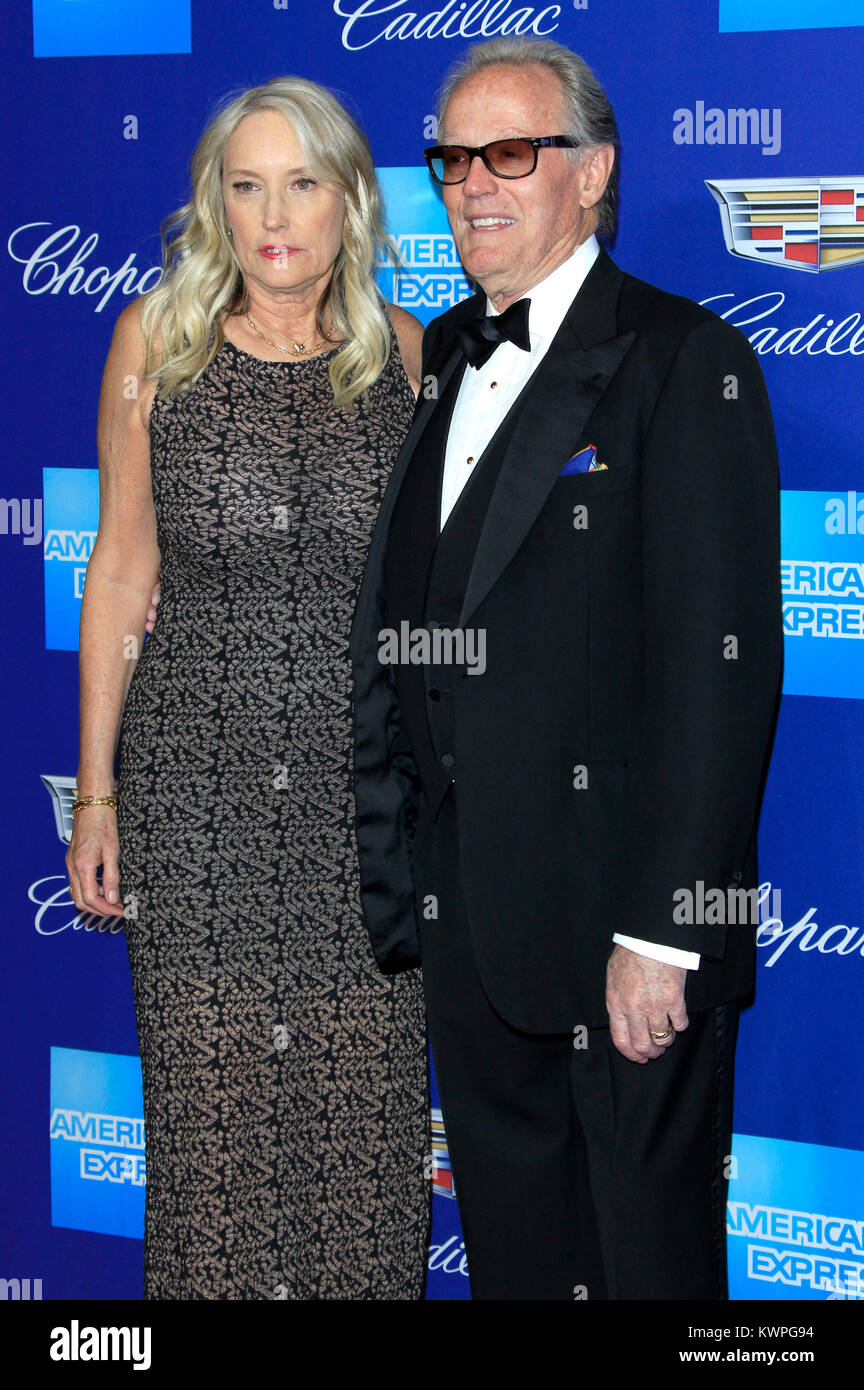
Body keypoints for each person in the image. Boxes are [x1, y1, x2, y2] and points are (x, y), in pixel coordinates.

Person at [350, 37, 783, 1300]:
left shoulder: (682, 358)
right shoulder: (436, 357)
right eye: (451, 160)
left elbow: (724, 672)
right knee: (519, 1264)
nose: (472, 184)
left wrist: (665, 933)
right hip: (472, 925)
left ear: (591, 174)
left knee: (645, 1265)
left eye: (511, 154)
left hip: (624, 934)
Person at [66, 76, 430, 1300]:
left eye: (303, 182)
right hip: (197, 803)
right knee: (211, 1146)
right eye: (245, 183)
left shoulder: (410, 356)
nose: (275, 213)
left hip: (361, 813)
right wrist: (99, 796)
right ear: (215, 204)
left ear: (353, 200)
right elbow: (119, 571)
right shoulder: (153, 343)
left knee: (364, 1144)